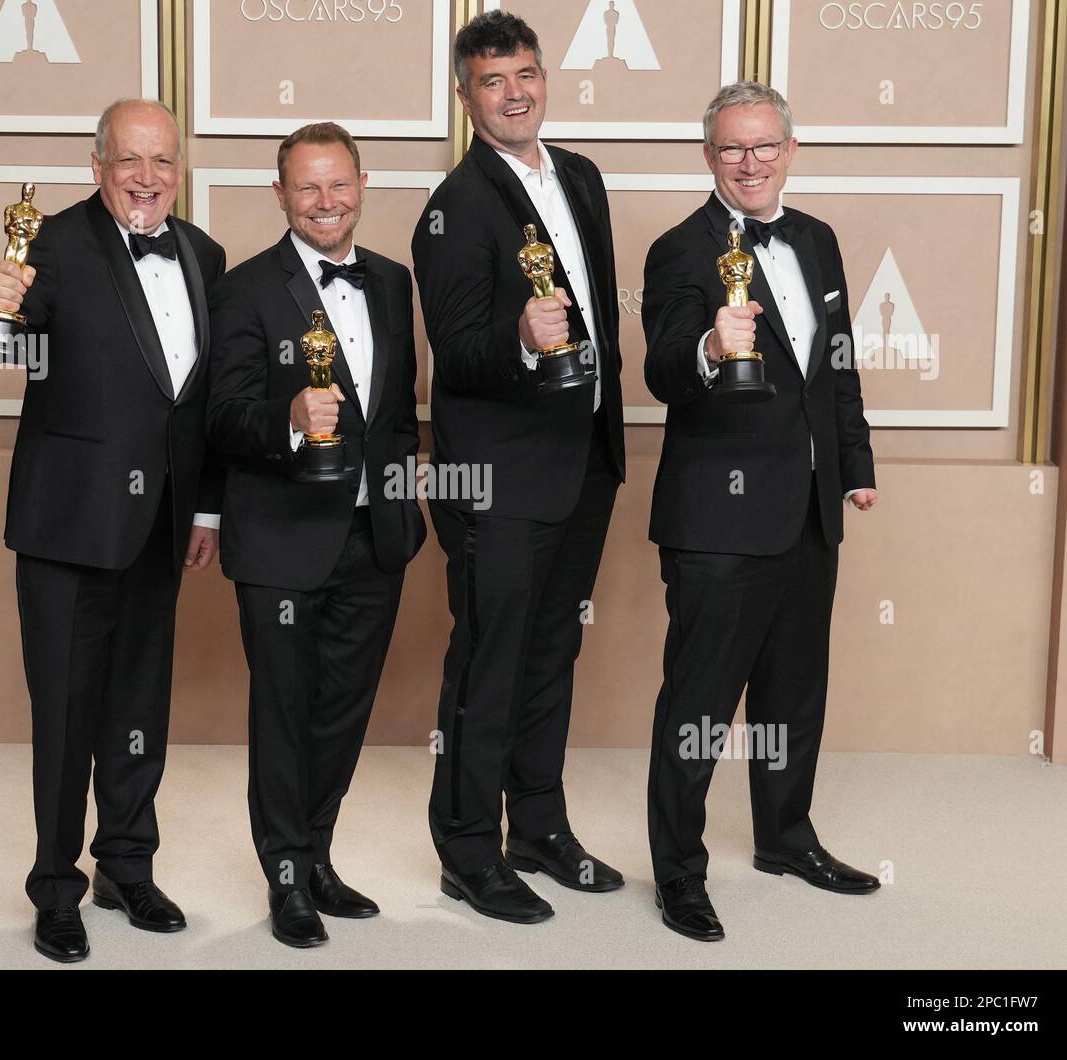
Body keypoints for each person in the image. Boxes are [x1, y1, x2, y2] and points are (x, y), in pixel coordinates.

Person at [0, 98, 226, 962]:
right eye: (130, 160)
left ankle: (127, 869)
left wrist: (206, 506)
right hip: (68, 526)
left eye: (163, 162)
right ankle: (56, 888)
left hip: (163, 525)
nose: (148, 178)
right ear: (98, 163)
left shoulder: (205, 255)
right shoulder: (55, 245)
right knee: (67, 716)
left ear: (180, 169)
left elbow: (204, 404)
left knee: (140, 706)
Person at [641, 81, 879, 943]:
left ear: (789, 150)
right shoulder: (678, 249)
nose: (750, 162)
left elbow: (837, 366)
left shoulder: (816, 240)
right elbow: (662, 370)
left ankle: (786, 838)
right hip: (717, 522)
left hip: (811, 509)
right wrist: (709, 345)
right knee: (698, 707)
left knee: (792, 696)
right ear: (709, 157)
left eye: (764, 146)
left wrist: (853, 464)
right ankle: (678, 874)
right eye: (733, 148)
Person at [410, 10, 626, 925]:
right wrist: (521, 341)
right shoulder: (453, 206)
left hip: (583, 461)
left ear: (546, 79)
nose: (515, 93)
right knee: (489, 660)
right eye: (493, 81)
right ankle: (467, 849)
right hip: (495, 479)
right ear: (465, 96)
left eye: (526, 74)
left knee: (552, 652)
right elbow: (454, 354)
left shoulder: (579, 176)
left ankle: (537, 825)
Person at [207, 122, 426, 948]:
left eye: (339, 184)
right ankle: (287, 877)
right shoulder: (244, 288)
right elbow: (221, 416)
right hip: (281, 537)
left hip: (378, 534)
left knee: (342, 711)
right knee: (286, 713)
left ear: (362, 184)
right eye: (307, 187)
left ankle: (321, 855)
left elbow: (400, 416)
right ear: (280, 194)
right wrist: (289, 419)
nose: (325, 202)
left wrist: (406, 502)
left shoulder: (393, 283)